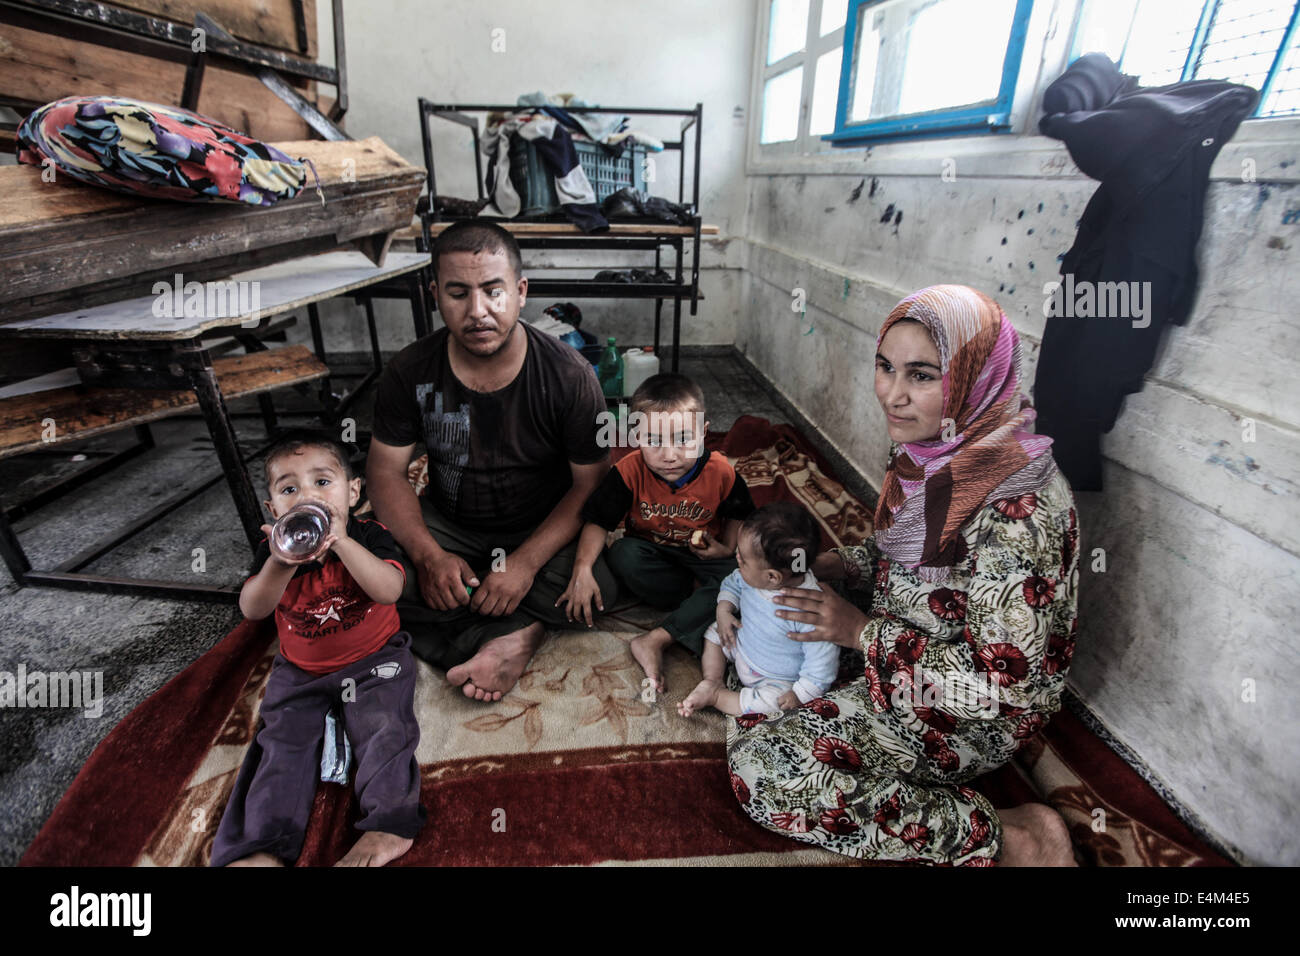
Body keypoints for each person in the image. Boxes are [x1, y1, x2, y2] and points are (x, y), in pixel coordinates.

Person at [726, 285, 1080, 867]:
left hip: (972, 710)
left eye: (921, 375)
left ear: (972, 378)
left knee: (765, 773)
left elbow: (1001, 685)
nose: (892, 395)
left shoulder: (1019, 507)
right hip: (899, 647)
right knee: (760, 648)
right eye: (885, 367)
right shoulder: (930, 450)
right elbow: (905, 563)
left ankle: (1011, 839)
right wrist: (841, 566)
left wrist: (860, 634)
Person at [366, 220, 616, 702]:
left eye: (493, 291)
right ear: (436, 294)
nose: (478, 311)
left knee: (600, 584)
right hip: (450, 526)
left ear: (521, 292)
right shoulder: (410, 370)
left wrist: (523, 564)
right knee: (374, 574)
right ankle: (518, 630)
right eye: (458, 293)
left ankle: (498, 629)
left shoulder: (569, 376)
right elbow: (384, 472)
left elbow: (591, 485)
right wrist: (428, 556)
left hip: (540, 531)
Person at [211, 430, 424, 868]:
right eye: (289, 488)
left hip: (375, 660)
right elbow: (253, 609)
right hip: (301, 671)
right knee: (280, 743)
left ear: (353, 492)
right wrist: (278, 562)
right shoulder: (275, 551)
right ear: (273, 510)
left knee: (385, 727)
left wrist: (343, 542)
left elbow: (389, 590)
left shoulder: (369, 534)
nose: (307, 494)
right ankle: (263, 845)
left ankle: (389, 822)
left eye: (322, 482)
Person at [556, 373, 755, 690]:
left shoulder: (721, 472)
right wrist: (582, 569)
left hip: (703, 555)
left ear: (703, 434)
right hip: (652, 553)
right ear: (636, 436)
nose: (669, 454)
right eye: (654, 441)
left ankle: (658, 637)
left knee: (747, 575)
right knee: (622, 554)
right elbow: (598, 522)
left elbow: (739, 514)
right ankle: (698, 603)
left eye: (682, 439)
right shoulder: (627, 471)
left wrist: (726, 548)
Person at [679, 503, 838, 718]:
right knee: (715, 632)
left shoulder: (811, 610)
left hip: (776, 679)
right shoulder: (757, 576)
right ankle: (712, 679)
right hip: (742, 644)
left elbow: (822, 663)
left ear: (773, 577)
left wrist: (800, 694)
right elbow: (732, 583)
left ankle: (717, 696)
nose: (737, 560)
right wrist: (724, 611)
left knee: (774, 706)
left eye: (742, 560)